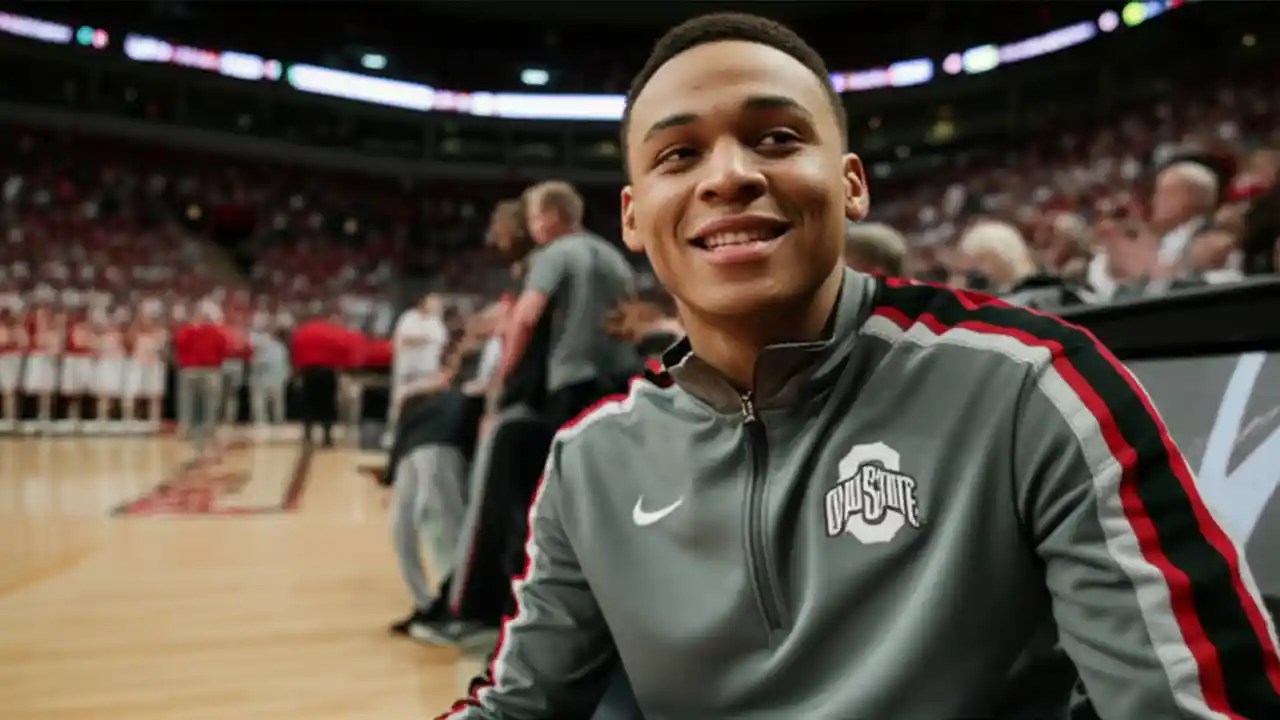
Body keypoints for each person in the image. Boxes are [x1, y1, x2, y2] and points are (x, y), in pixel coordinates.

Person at [442, 13, 1280, 720]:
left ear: (851, 186)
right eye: (678, 155)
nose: (730, 175)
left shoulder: (1033, 385)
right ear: (631, 217)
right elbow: (516, 708)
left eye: (775, 137)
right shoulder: (588, 462)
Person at [496, 180, 639, 429]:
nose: (531, 227)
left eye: (534, 217)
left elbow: (526, 318)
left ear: (551, 216)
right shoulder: (615, 257)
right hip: (620, 375)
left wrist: (503, 375)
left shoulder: (554, 253)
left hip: (572, 379)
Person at [388, 293, 450, 446]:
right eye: (433, 302)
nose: (436, 306)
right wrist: (424, 339)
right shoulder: (408, 318)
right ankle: (394, 437)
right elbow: (403, 339)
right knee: (399, 406)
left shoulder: (437, 323)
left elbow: (442, 345)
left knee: (424, 407)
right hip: (407, 374)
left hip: (428, 374)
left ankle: (418, 436)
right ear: (423, 302)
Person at [172, 301, 228, 456]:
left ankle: (191, 437)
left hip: (190, 371)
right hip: (211, 371)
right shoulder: (217, 332)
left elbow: (178, 344)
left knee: (189, 407)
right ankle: (210, 435)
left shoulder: (188, 331)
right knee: (209, 408)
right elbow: (224, 349)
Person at [289, 309, 349, 447]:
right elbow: (341, 348)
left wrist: (296, 370)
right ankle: (327, 436)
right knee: (327, 403)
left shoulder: (302, 331)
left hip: (308, 370)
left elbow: (295, 350)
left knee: (309, 402)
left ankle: (308, 434)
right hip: (327, 371)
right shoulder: (332, 331)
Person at [248, 316, 289, 437]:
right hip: (268, 378)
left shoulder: (277, 347)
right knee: (268, 404)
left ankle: (270, 422)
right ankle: (271, 422)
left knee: (269, 404)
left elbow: (258, 363)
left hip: (270, 378)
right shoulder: (276, 346)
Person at [0, 304, 25, 431]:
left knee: (10, 392)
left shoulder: (17, 330)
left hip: (11, 360)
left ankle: (11, 419)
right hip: (3, 358)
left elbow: (23, 344)